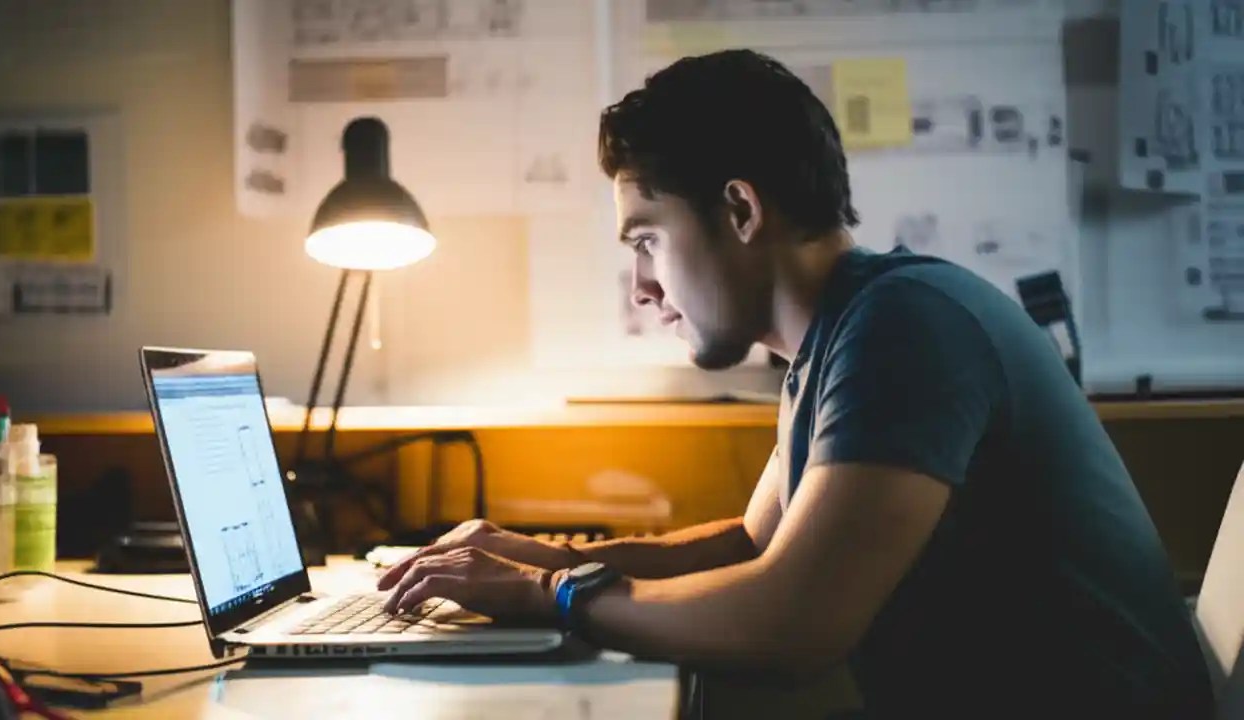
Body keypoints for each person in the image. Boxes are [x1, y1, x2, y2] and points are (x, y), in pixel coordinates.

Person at [375, 50, 1213, 718]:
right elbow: (756, 544)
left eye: (647, 240)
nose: (641, 285)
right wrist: (550, 557)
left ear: (740, 211)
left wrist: (551, 596)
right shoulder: (848, 333)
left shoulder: (906, 328)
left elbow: (789, 625)